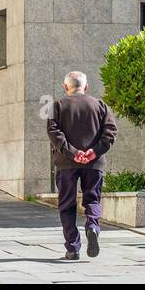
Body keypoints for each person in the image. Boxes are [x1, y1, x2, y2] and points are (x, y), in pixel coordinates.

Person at [47, 71, 118, 261]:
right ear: (86, 87)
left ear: (65, 87)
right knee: (92, 201)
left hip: (66, 164)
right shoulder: (100, 105)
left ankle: (73, 248)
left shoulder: (57, 106)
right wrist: (93, 151)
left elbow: (54, 134)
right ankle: (93, 227)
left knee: (67, 206)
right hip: (94, 164)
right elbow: (110, 131)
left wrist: (74, 153)